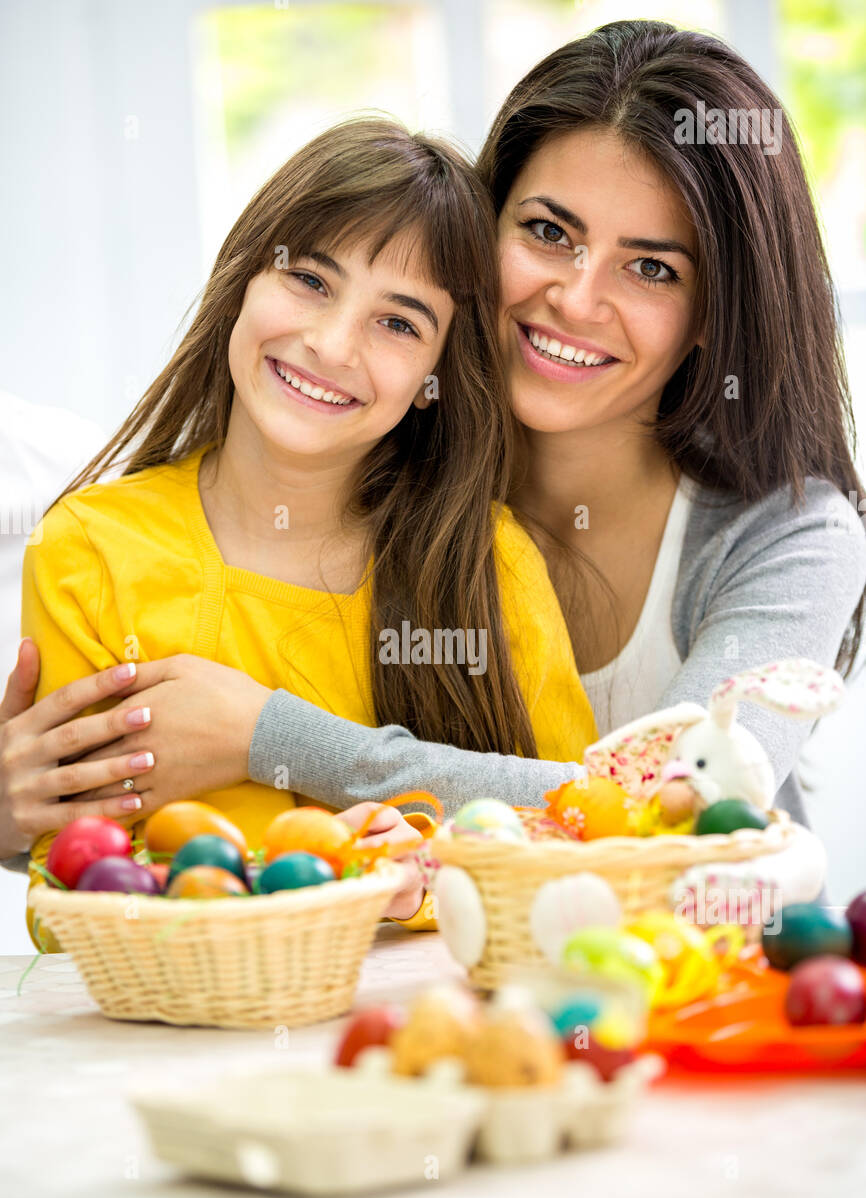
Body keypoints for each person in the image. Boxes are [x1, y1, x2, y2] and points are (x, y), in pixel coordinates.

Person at [3, 22, 864, 868]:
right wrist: (22, 813)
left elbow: (675, 814)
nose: (574, 296)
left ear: (717, 311)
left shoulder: (790, 536)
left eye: (651, 268)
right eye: (548, 232)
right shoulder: (348, 448)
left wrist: (272, 737)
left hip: (716, 976)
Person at [6, 117, 596, 945]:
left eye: (399, 323)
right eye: (311, 281)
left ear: (436, 377)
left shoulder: (490, 565)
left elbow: (589, 818)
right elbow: (67, 905)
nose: (329, 343)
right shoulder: (93, 550)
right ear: (245, 277)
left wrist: (431, 871)